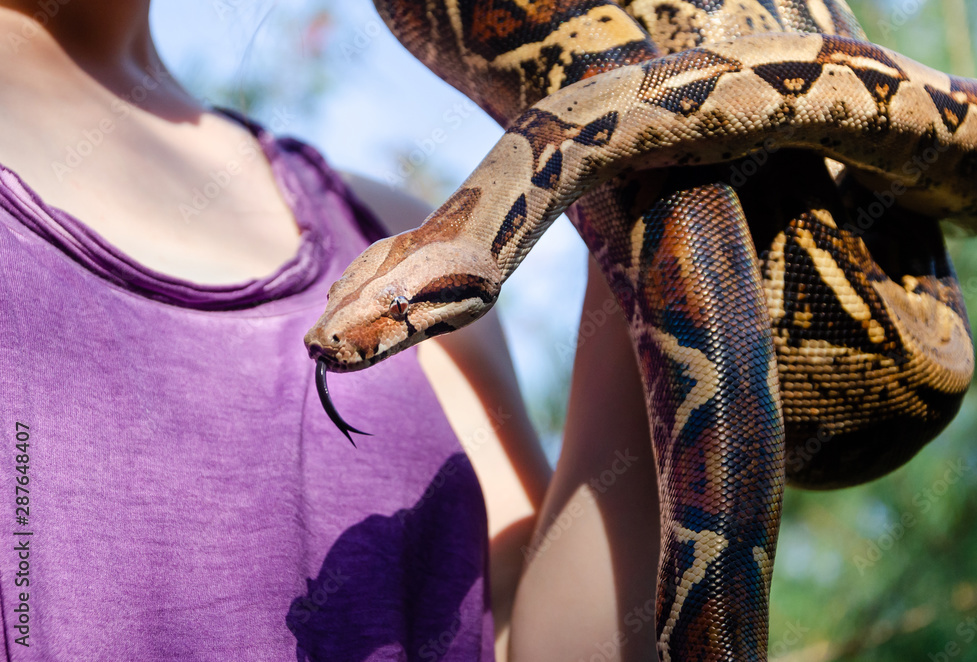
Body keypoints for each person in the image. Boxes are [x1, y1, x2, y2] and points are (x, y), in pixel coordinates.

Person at [0, 1, 664, 660]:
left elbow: (541, 641)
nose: (329, 339)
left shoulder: (389, 226)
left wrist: (645, 248)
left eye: (399, 316)